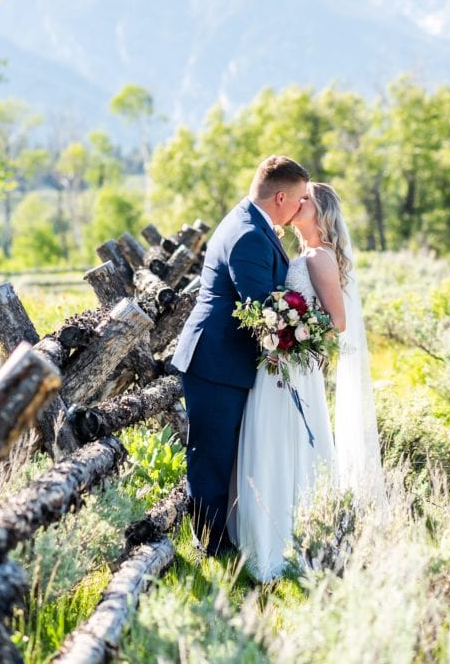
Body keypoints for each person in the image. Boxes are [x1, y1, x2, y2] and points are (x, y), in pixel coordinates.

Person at [233, 181, 384, 581]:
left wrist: (290, 330)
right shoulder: (302, 253)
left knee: (287, 444)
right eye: (298, 197)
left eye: (306, 200)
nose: (299, 203)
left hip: (294, 368)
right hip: (282, 365)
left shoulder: (319, 257)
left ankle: (284, 543)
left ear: (320, 213)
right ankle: (266, 538)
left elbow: (337, 321)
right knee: (273, 443)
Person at [171, 155, 310, 555]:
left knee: (221, 453)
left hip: (225, 358)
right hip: (217, 359)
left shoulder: (248, 220)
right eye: (299, 199)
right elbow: (261, 307)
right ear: (281, 196)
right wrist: (305, 332)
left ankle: (221, 536)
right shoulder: (249, 233)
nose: (301, 206)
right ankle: (211, 546)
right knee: (211, 455)